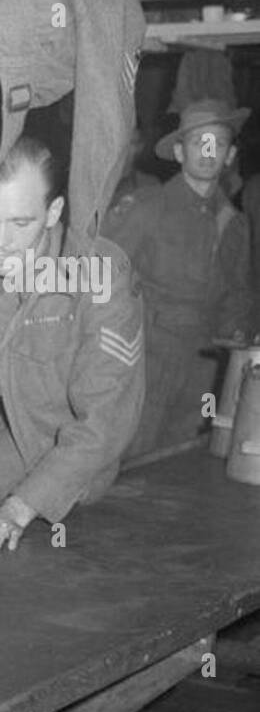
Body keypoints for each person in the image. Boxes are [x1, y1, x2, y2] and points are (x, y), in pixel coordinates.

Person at [0, 137, 145, 552]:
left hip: (68, 451)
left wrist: (22, 506)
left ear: (53, 212)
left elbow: (104, 421)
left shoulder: (99, 274)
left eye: (20, 223)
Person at [103, 99, 254, 456]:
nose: (208, 152)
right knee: (127, 456)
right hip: (145, 362)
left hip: (204, 374)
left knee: (188, 452)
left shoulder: (234, 224)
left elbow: (239, 298)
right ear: (179, 151)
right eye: (199, 142)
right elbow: (101, 278)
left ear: (230, 155)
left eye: (218, 143)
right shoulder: (146, 207)